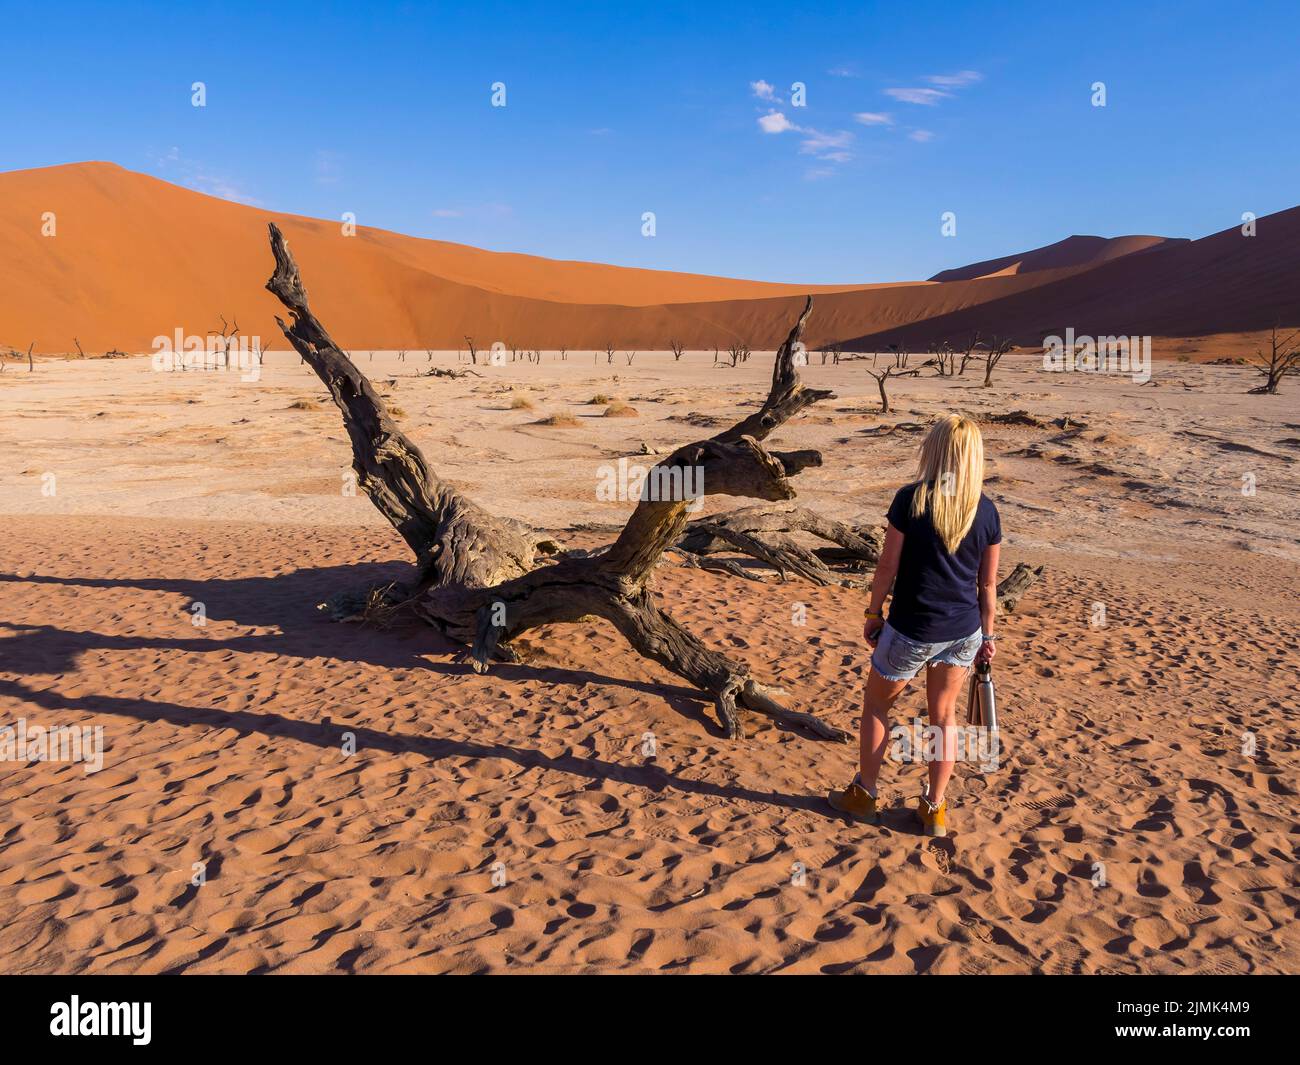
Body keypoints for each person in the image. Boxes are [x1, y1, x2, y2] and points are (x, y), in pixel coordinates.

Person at [828, 414, 1001, 837]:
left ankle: (865, 795)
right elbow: (988, 582)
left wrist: (873, 613)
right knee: (944, 717)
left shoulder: (911, 500)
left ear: (936, 451)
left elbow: (887, 565)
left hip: (911, 628)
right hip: (962, 631)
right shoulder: (986, 509)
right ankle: (935, 808)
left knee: (877, 706)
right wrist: (989, 635)